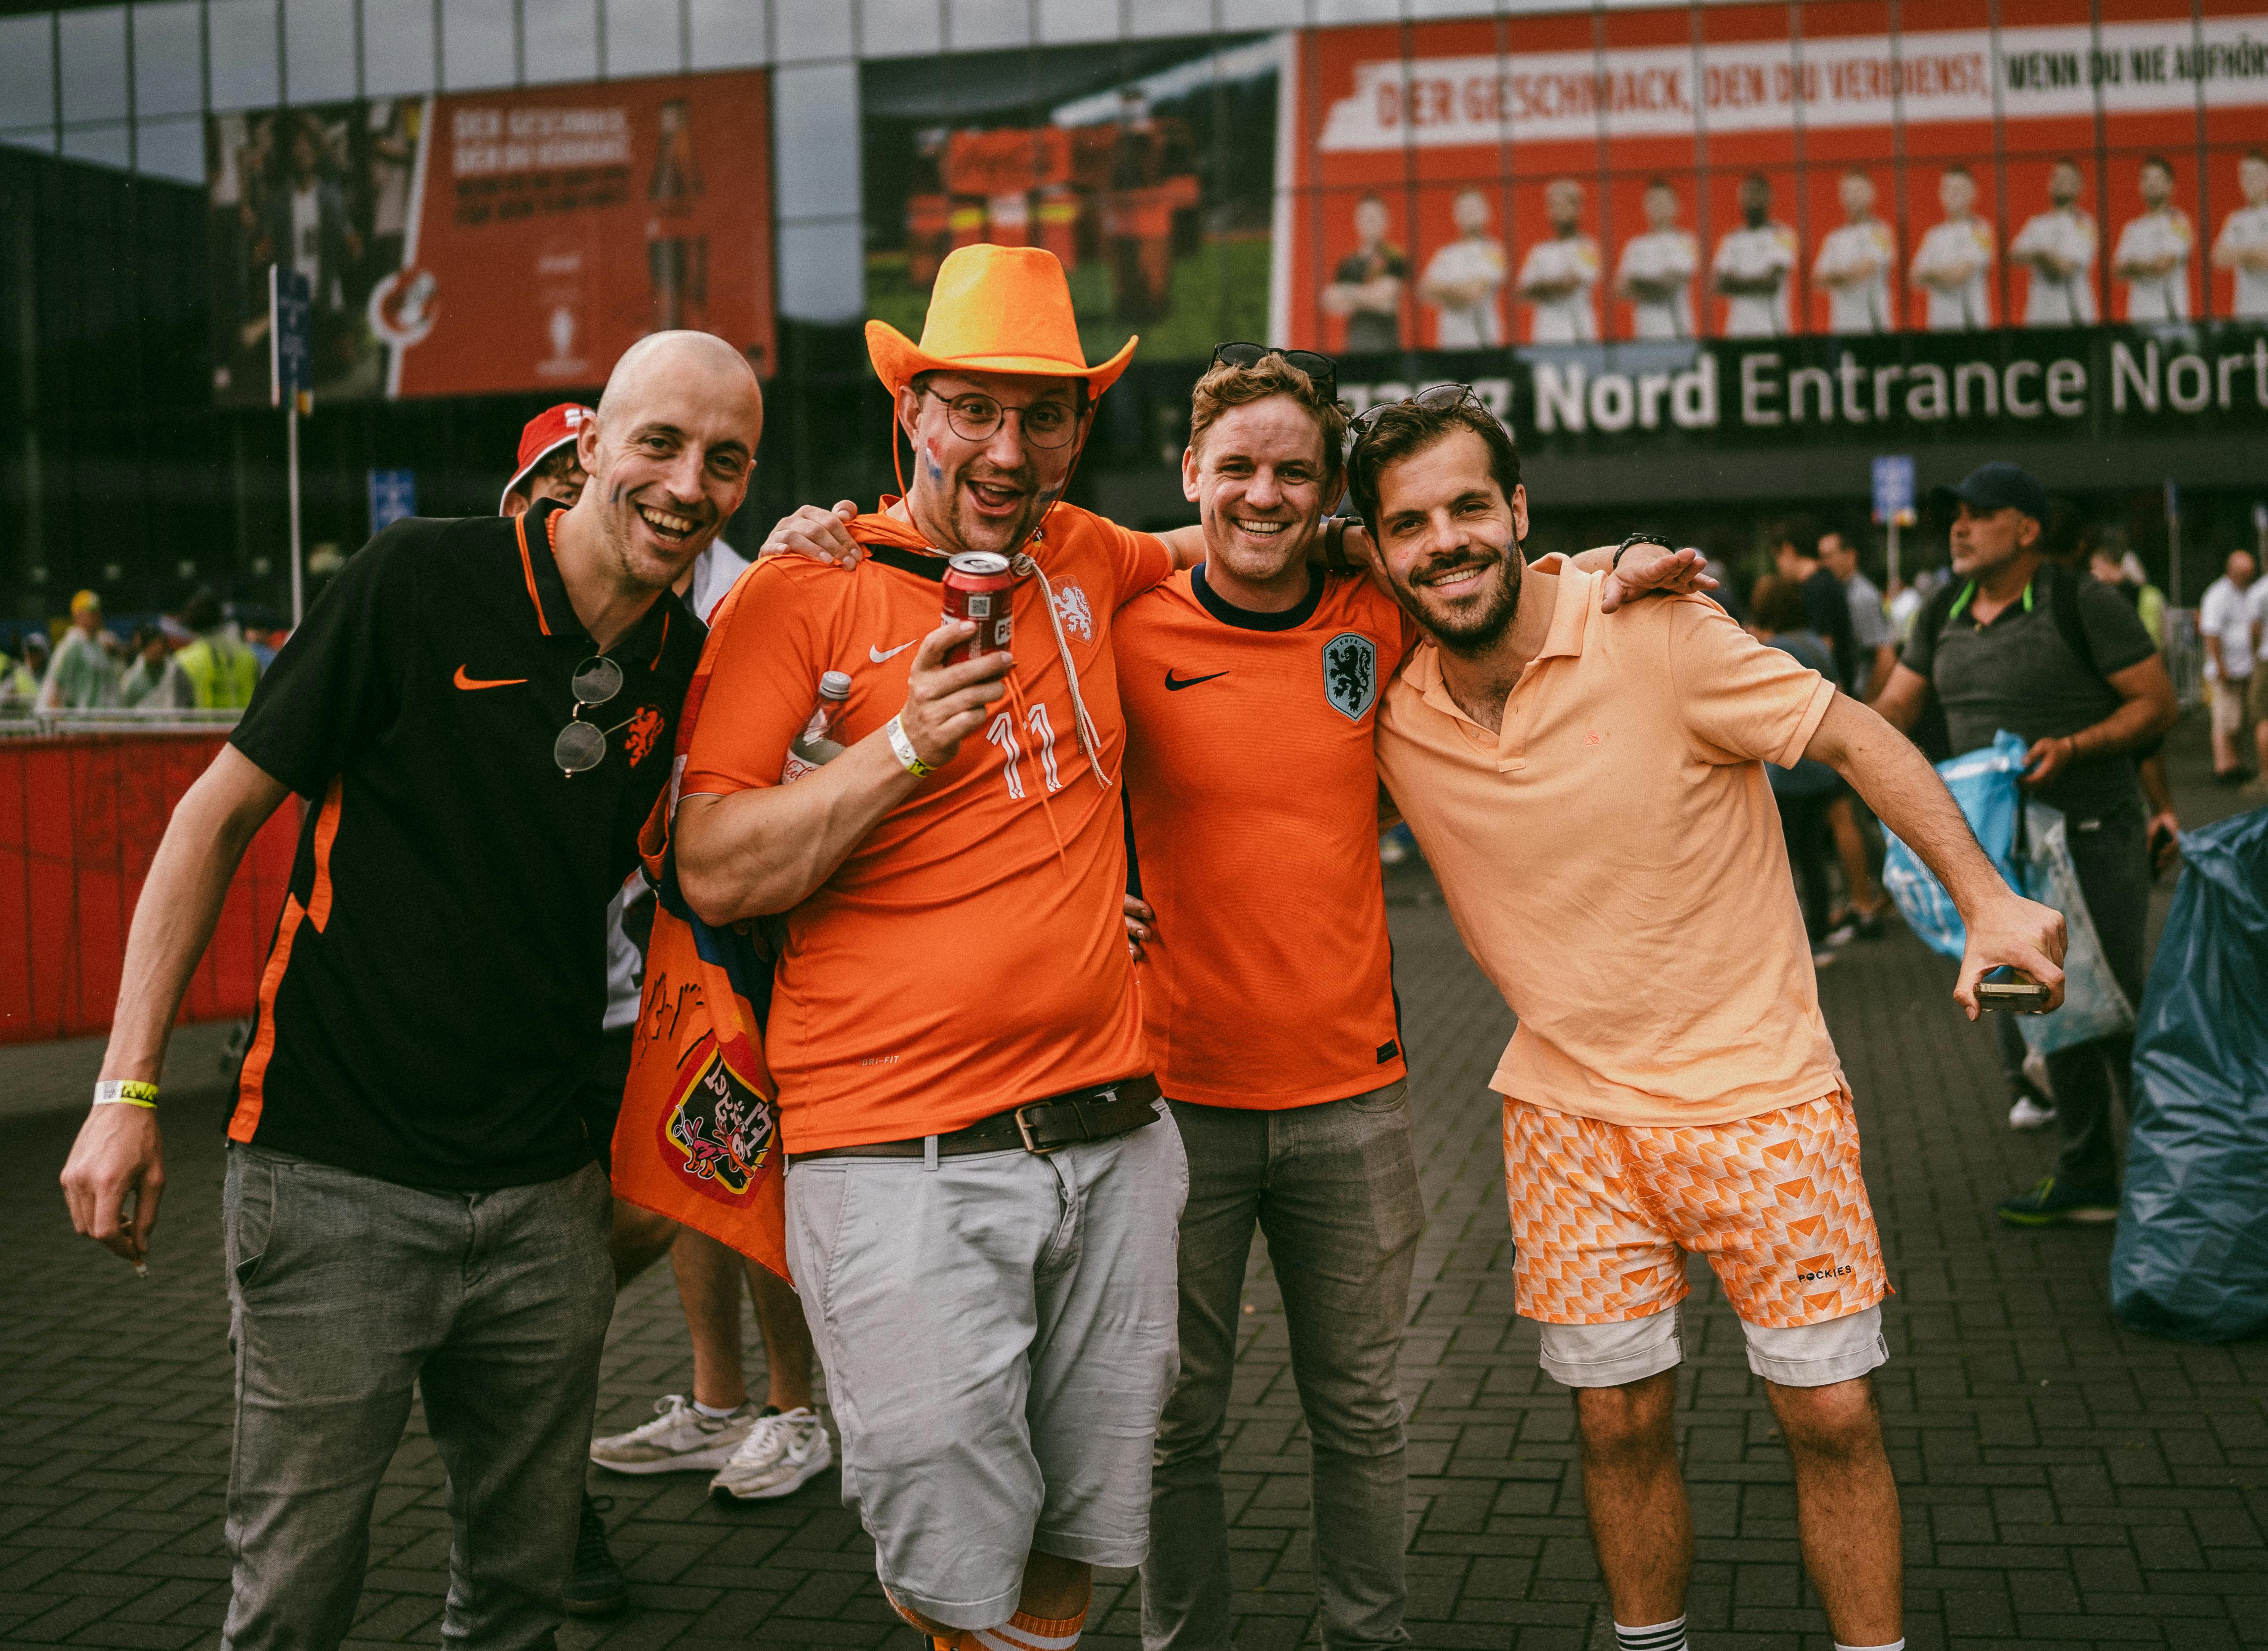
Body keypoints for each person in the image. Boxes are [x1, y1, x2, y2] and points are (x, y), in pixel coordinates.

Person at [56, 330, 754, 1651]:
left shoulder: (688, 660)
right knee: (295, 1597)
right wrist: (123, 1093)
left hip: (544, 1198)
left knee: (519, 1601)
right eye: (661, 443)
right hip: (334, 1178)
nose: (687, 483)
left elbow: (738, 858)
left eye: (725, 460)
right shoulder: (417, 579)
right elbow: (211, 820)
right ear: (592, 448)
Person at [1348, 388, 2065, 1651]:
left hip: (1762, 1095)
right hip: (1569, 1119)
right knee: (1616, 1422)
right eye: (1408, 523)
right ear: (1375, 547)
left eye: (1469, 507)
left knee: (1830, 1412)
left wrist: (1988, 897)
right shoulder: (1394, 708)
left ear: (1519, 510)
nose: (1444, 541)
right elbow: (1255, 546)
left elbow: (1854, 736)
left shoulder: (1661, 632)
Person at [1118, 351, 1425, 1651]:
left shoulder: (1376, 614)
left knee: (1360, 1412)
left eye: (1293, 471)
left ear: (1330, 488)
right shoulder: (1124, 622)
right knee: (1171, 1423)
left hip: (1354, 1100)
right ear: (1191, 473)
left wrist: (1620, 563)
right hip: (1171, 1103)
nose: (1263, 493)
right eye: (1237, 466)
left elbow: (1507, 588)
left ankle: (1369, 1635)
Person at [1871, 462, 2179, 1226]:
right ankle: (2088, 1170)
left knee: (2112, 997)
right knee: (2035, 996)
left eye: (1978, 514)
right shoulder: (1942, 608)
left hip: (2093, 831)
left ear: (2028, 529)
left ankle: (2182, 1172)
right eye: (1954, 515)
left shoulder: (2084, 602)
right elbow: (1893, 709)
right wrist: (1819, 726)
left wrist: (2074, 747)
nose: (1959, 528)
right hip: (2002, 847)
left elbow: (2157, 704)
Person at [1772, 524, 1893, 941]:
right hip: (1837, 708)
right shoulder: (1833, 588)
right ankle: (1869, 899)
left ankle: (1866, 901)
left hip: (1828, 713)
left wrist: (1868, 708)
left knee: (1844, 815)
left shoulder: (1820, 590)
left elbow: (1829, 657)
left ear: (1788, 550)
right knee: (1844, 814)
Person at [1749, 575, 1849, 966]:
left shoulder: (1775, 648)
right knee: (1812, 855)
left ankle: (1787, 943)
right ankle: (1820, 935)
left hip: (1788, 770)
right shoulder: (1816, 643)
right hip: (1820, 768)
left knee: (1782, 861)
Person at [2010, 160, 2099, 326]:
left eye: (2067, 178)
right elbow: (2015, 255)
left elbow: (2066, 267)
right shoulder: (2037, 223)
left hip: (2073, 317)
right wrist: (2047, 256)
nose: (2060, 182)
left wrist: (2038, 254)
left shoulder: (2085, 224)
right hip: (2039, 316)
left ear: (2079, 187)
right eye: (2056, 177)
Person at [2199, 550, 2260, 783]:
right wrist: (2220, 666)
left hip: (2244, 667)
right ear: (2232, 571)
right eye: (2244, 573)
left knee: (2237, 720)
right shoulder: (2218, 594)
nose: (2248, 577)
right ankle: (2223, 766)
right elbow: (2211, 633)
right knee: (2224, 719)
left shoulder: (2247, 592)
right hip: (2225, 669)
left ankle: (2235, 763)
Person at [1711, 173, 1797, 337]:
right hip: (1737, 332)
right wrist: (1758, 279)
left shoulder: (1784, 235)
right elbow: (1718, 285)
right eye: (1747, 194)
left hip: (1773, 331)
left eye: (1757, 193)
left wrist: (1735, 281)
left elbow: (1771, 284)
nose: (1752, 199)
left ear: (1769, 197)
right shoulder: (1731, 238)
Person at [1420, 187, 1507, 348]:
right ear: (1455, 216)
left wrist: (1444, 291)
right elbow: (1424, 290)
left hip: (1483, 345)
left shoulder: (1495, 250)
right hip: (1449, 345)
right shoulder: (1446, 254)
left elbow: (1474, 293)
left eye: (1474, 207)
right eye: (1464, 209)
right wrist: (1462, 291)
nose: (1469, 213)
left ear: (1487, 212)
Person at [1517, 178, 1601, 345]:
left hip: (1579, 336)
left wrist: (1541, 285)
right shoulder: (1539, 251)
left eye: (1566, 205)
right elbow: (1522, 292)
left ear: (1578, 209)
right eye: (1555, 205)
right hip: (1546, 336)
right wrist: (1555, 283)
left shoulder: (1587, 247)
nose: (1560, 210)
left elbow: (1568, 285)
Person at [1910, 166, 1994, 330]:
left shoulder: (1980, 230)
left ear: (1973, 193)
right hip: (1938, 325)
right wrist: (1946, 273)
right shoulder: (1934, 234)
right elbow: (1914, 277)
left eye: (1960, 189)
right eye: (1948, 188)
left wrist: (1931, 274)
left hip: (1971, 326)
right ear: (1941, 193)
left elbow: (1959, 275)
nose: (1953, 194)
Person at [1819, 527, 1897, 701]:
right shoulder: (1842, 592)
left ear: (1851, 556)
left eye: (1829, 556)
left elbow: (1885, 657)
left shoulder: (1861, 597)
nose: (1824, 564)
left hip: (1862, 697)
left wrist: (1867, 705)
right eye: (1822, 557)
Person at [1812, 170, 1895, 334]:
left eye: (1859, 190)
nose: (1853, 196)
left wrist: (1836, 277)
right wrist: (1849, 275)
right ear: (1841, 197)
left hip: (1874, 328)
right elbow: (1817, 279)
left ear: (1872, 194)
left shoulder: (1881, 232)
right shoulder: (1835, 238)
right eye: (1848, 191)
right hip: (1841, 327)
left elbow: (1865, 270)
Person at [1615, 179, 1699, 340]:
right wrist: (1657, 282)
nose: (1659, 206)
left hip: (1679, 335)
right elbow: (1621, 290)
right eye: (1653, 201)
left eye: (1663, 201)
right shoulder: (1635, 246)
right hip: (1645, 336)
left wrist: (1637, 282)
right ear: (1645, 207)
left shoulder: (1687, 241)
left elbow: (1670, 285)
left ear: (1676, 205)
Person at [1322, 195, 1406, 353]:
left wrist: (1348, 293)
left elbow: (1386, 300)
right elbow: (1330, 301)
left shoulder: (1395, 258)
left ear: (1386, 221)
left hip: (1387, 349)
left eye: (1376, 216)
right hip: (1355, 348)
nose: (1371, 222)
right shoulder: (1348, 264)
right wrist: (1371, 295)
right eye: (1366, 217)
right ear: (1357, 220)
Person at [2114, 157, 2193, 323]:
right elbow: (2117, 271)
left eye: (2158, 179)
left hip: (2169, 320)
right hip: (2138, 319)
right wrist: (2149, 265)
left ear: (2171, 185)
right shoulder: (2133, 228)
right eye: (2146, 179)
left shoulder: (2179, 222)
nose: (2151, 184)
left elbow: (2163, 266)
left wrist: (2133, 265)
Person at [174, 590, 263, 711]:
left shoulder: (185, 661)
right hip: (245, 723)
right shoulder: (249, 658)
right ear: (221, 618)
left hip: (204, 724)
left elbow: (182, 713)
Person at [2212, 150, 2268, 320]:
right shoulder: (2236, 219)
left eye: (2256, 174)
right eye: (2245, 174)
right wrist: (2256, 253)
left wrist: (2238, 254)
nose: (2250, 180)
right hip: (2245, 314)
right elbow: (2218, 257)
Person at [119, 625, 189, 709]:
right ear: (145, 649)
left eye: (160, 648)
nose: (156, 651)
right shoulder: (131, 679)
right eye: (152, 646)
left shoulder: (175, 672)